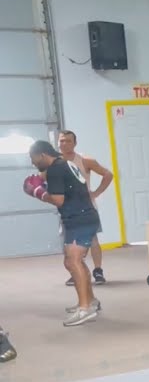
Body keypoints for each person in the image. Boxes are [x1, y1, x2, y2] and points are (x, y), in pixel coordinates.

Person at [27, 140, 101, 326]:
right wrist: (41, 186)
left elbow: (58, 200)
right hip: (81, 217)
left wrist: (38, 192)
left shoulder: (55, 169)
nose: (33, 163)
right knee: (73, 261)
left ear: (42, 155)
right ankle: (90, 302)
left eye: (33, 158)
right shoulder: (65, 164)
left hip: (80, 219)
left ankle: (85, 309)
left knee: (73, 261)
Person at [57, 130, 112, 286]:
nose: (64, 144)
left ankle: (98, 271)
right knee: (70, 243)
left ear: (75, 143)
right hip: (67, 209)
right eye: (61, 141)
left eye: (68, 141)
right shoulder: (55, 163)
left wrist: (96, 193)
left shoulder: (85, 161)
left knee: (93, 239)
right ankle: (76, 272)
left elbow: (108, 175)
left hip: (87, 208)